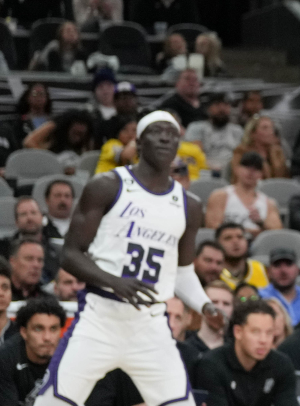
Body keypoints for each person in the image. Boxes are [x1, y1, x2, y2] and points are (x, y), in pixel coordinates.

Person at [31, 112, 217, 406]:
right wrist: (114, 281)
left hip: (150, 325)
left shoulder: (189, 205)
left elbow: (181, 273)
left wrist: (206, 305)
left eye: (173, 134)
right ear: (139, 141)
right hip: (100, 318)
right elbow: (69, 254)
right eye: (158, 131)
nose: (167, 138)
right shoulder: (107, 185)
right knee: (52, 403)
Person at [189, 298, 296, 406]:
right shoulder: (211, 364)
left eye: (269, 333)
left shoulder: (281, 364)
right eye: (255, 332)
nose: (263, 340)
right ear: (238, 332)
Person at [205, 151, 282, 232]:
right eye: (247, 166)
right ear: (237, 169)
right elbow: (212, 226)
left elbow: (277, 232)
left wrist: (261, 223)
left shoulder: (268, 203)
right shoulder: (221, 196)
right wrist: (247, 232)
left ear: (261, 175)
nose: (251, 171)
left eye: (256, 168)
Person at [186, 94, 244, 174]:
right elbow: (193, 155)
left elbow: (242, 155)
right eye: (217, 105)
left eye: (226, 105)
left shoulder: (238, 131)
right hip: (204, 173)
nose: (222, 109)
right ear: (208, 108)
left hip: (232, 173)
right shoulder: (196, 128)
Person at [259, 249, 300, 326]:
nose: (283, 271)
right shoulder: (260, 297)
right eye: (277, 265)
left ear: (297, 270)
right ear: (269, 271)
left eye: (288, 264)